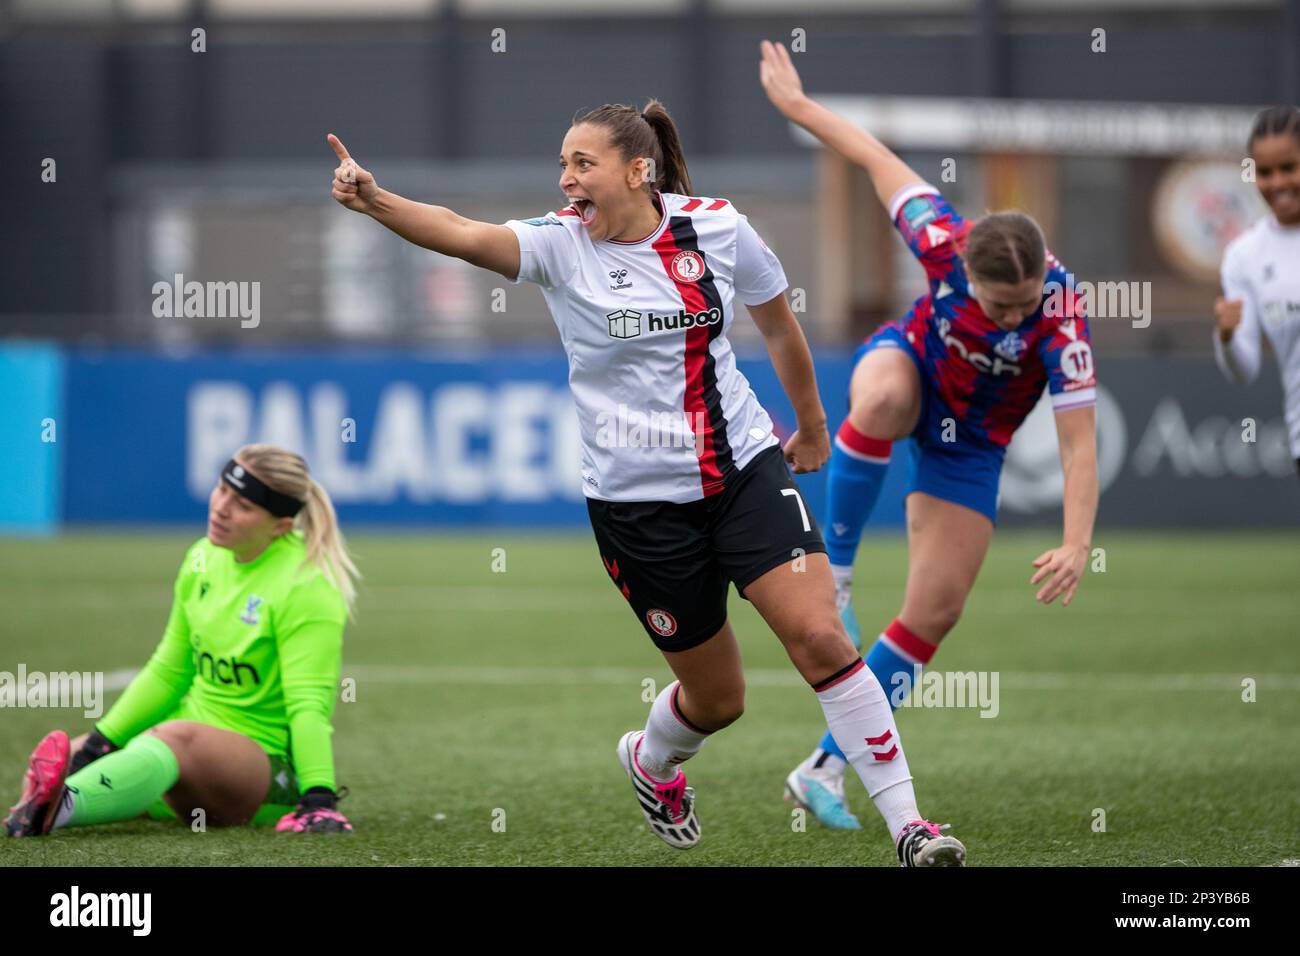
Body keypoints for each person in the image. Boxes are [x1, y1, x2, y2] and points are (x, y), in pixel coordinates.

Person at [324, 99, 965, 864]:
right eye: (562, 165)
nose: (566, 180)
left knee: (821, 636)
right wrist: (374, 199)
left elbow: (779, 322)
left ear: (637, 170)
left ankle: (910, 829)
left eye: (582, 164)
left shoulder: (720, 227)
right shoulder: (562, 246)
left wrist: (814, 424)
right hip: (637, 510)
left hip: (741, 472)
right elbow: (462, 233)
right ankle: (653, 760)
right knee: (720, 701)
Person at [759, 39, 1099, 829]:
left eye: (1022, 304)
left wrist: (1077, 541)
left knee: (933, 613)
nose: (1013, 316)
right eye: (997, 304)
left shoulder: (1063, 310)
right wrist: (798, 107)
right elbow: (873, 155)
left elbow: (1079, 443)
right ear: (965, 270)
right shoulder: (942, 238)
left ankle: (823, 768)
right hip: (911, 372)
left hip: (974, 444)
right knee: (874, 398)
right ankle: (835, 578)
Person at [4, 446, 359, 837]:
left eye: (242, 504)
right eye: (221, 490)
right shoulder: (202, 558)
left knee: (173, 739)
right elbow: (169, 670)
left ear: (280, 525)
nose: (221, 508)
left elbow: (309, 705)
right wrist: (97, 745)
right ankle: (43, 808)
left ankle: (59, 808)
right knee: (69, 754)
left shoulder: (307, 586)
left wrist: (318, 798)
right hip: (184, 746)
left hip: (263, 772)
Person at [1214, 105, 1300, 474]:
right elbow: (1242, 370)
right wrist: (1227, 335)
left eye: (1289, 168)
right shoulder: (1243, 256)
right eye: (1265, 172)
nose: (1277, 183)